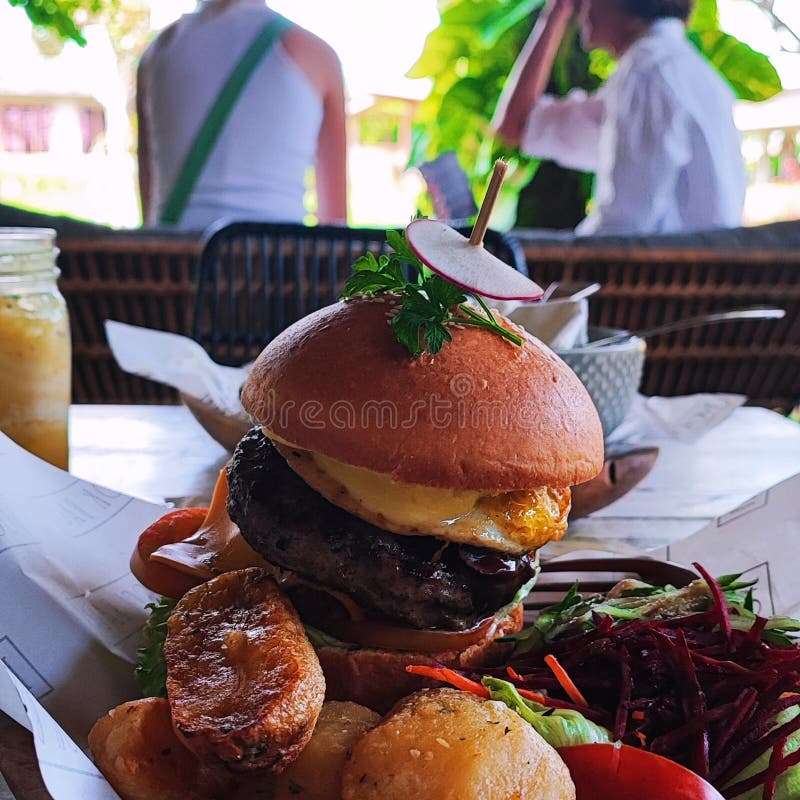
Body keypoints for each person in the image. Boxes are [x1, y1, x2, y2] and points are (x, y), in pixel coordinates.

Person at [493, 0, 746, 236]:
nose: (581, 7)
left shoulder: (647, 73)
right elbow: (518, 125)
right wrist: (555, 13)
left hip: (667, 277)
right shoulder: (677, 70)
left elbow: (622, 229)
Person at [137, 0, 347, 230]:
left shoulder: (156, 54)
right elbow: (334, 223)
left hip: (175, 263)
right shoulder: (314, 54)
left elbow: (150, 208)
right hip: (274, 261)